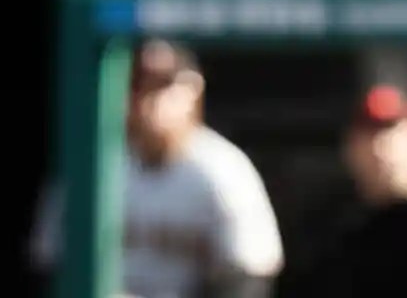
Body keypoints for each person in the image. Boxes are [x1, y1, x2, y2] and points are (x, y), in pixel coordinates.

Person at [30, 39, 285, 298]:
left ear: (194, 89)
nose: (151, 100)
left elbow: (251, 275)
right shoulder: (91, 161)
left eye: (164, 85)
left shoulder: (223, 168)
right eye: (139, 86)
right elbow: (50, 261)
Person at [284, 84, 407, 297]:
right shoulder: (331, 228)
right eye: (368, 134)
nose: (380, 148)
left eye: (392, 131)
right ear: (349, 147)